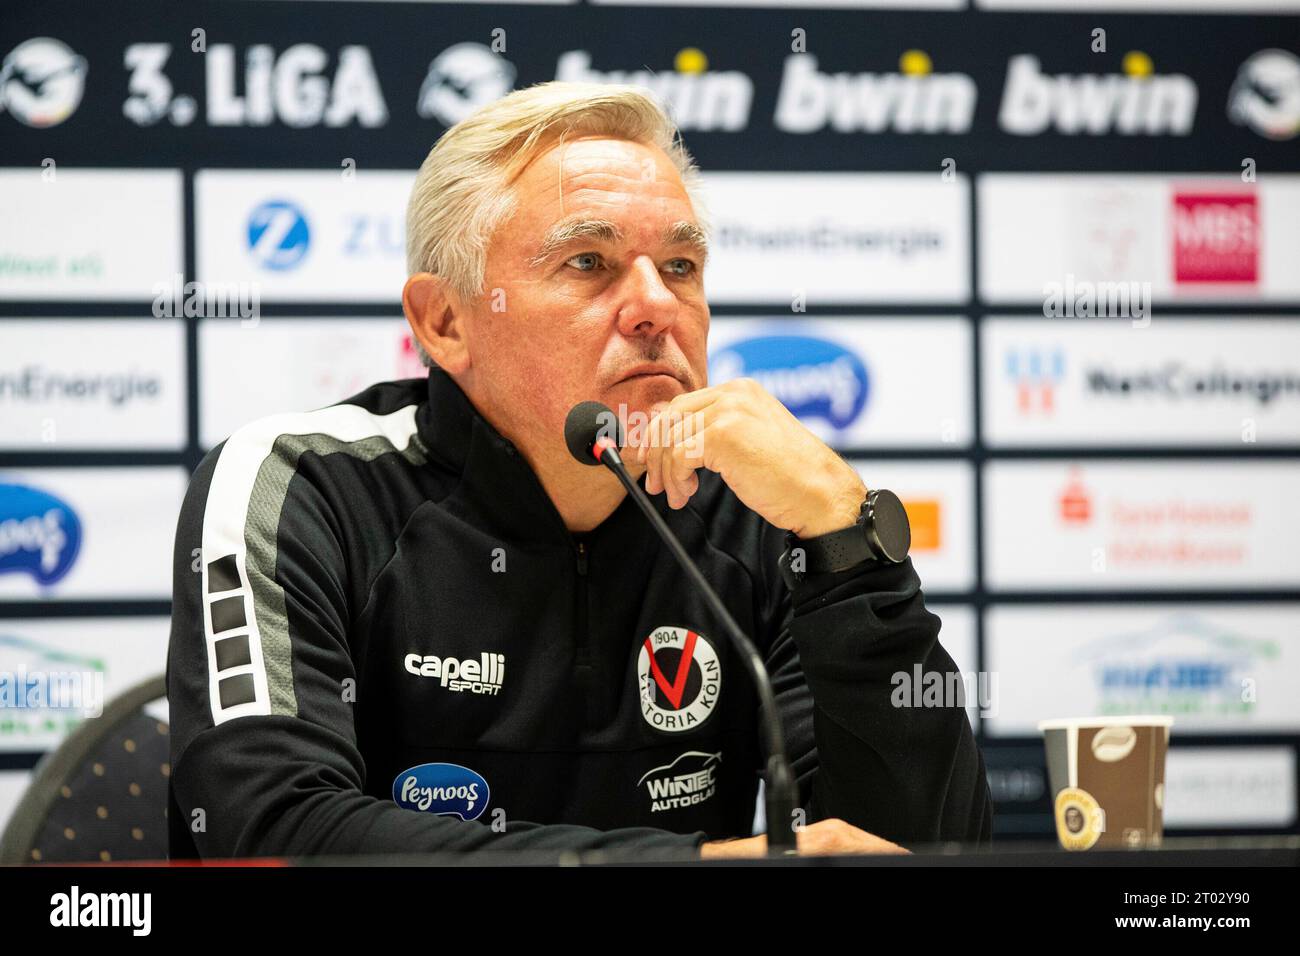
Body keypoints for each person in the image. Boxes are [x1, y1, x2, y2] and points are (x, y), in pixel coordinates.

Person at [166, 81, 993, 860]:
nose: (658, 307)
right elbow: (273, 831)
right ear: (445, 320)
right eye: (589, 263)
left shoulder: (763, 515)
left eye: (680, 268)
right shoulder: (302, 488)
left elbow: (924, 853)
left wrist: (851, 545)